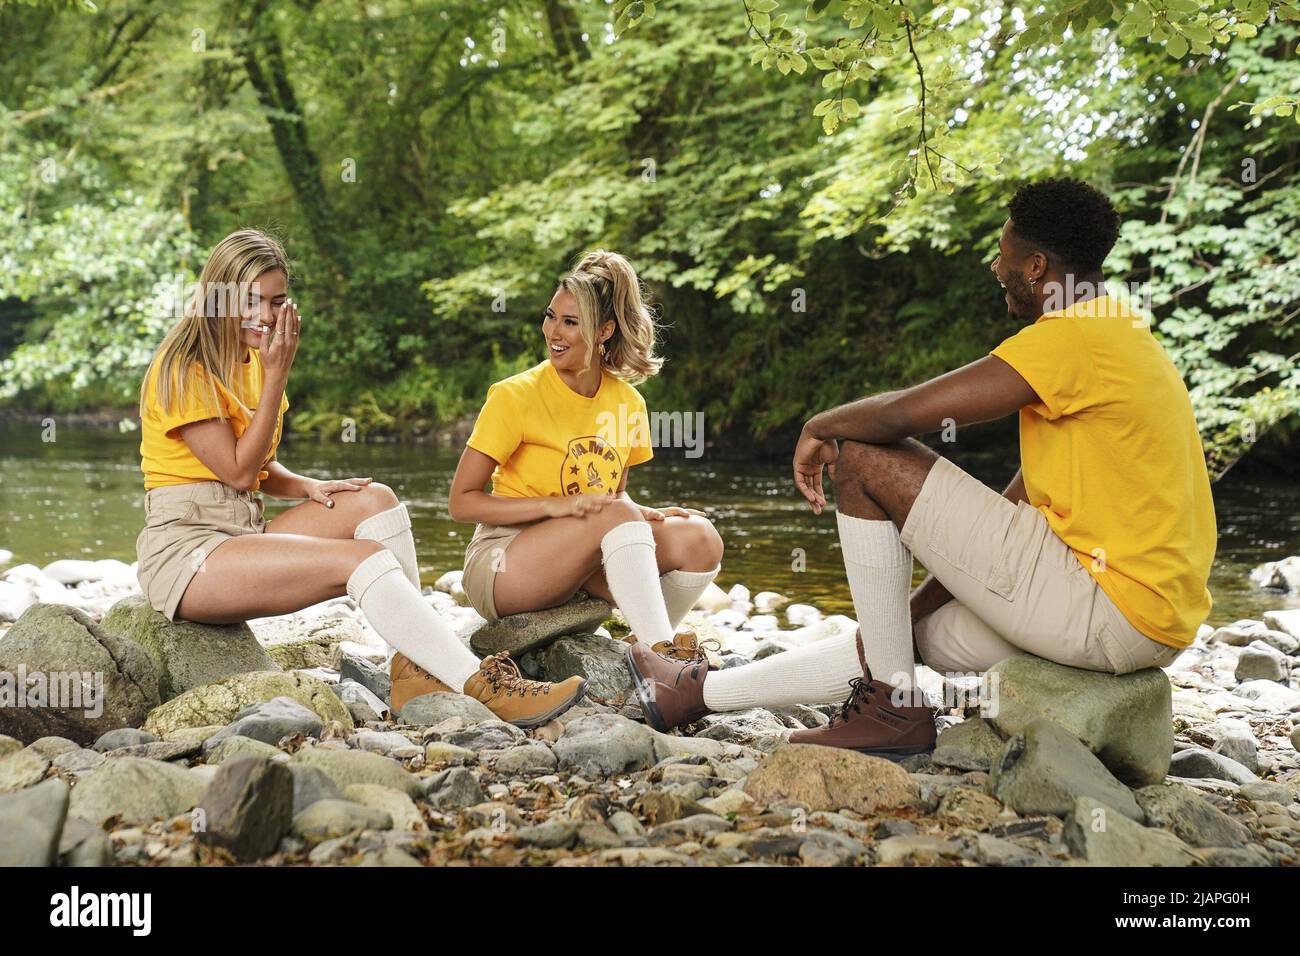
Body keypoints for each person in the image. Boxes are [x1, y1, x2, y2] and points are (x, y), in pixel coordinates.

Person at [626, 179, 1216, 757]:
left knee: (861, 456)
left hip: (1105, 607)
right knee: (906, 632)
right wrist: (915, 606)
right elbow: (1020, 502)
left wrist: (820, 426)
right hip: (1144, 621)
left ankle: (892, 710)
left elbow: (904, 414)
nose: (994, 265)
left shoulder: (1073, 339)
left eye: (1003, 254)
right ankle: (695, 694)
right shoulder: (1118, 329)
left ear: (1036, 267)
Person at [135, 228, 585, 727]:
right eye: (251, 301)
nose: (266, 316)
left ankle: (415, 670)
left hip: (240, 533)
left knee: (375, 499)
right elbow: (238, 468)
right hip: (188, 556)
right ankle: (483, 685)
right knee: (364, 558)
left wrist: (302, 484)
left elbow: (254, 464)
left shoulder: (251, 361)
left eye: (277, 301)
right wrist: (279, 374)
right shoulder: (182, 367)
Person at [413, 251, 725, 705]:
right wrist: (554, 505)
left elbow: (611, 496)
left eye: (570, 323)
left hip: (580, 562)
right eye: (550, 317)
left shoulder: (628, 404)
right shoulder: (514, 395)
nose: (553, 333)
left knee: (700, 537)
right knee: (620, 514)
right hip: (505, 562)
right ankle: (666, 667)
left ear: (604, 331)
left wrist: (639, 514)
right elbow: (462, 502)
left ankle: (646, 647)